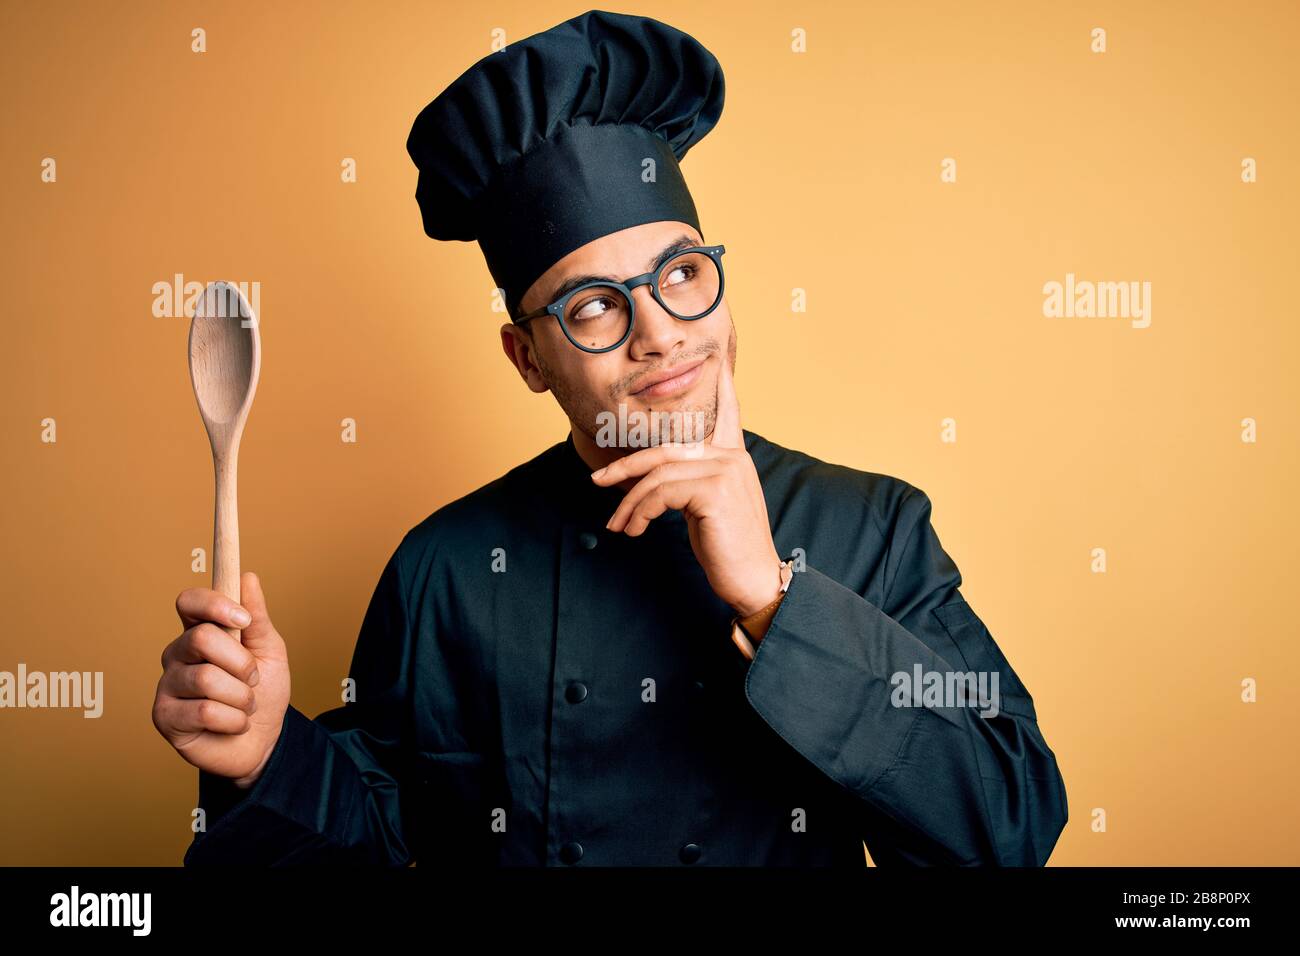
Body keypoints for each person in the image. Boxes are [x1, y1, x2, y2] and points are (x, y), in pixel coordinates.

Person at [153, 9, 1067, 866]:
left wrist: (776, 603)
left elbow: (1010, 824)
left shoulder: (871, 527)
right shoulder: (445, 569)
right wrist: (266, 758)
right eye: (595, 305)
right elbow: (382, 848)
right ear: (527, 357)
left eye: (681, 273)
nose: (661, 330)